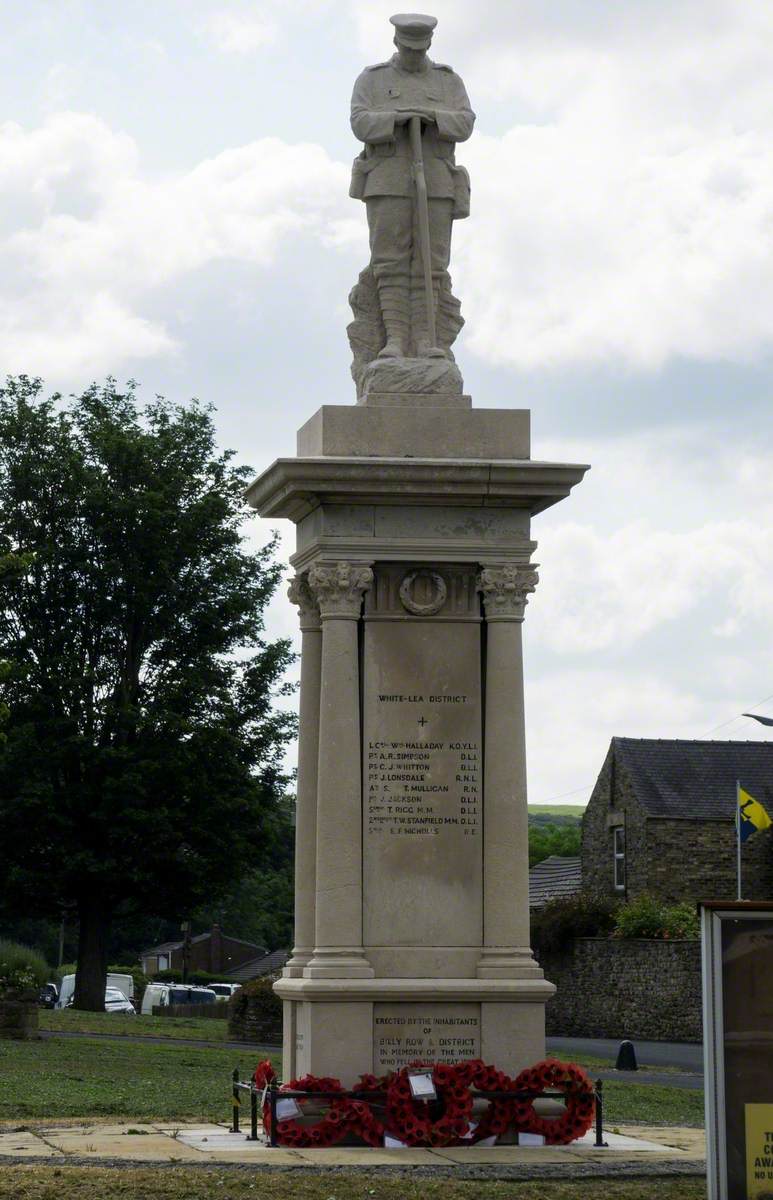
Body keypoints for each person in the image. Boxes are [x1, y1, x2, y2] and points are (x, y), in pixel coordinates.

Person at [350, 13, 475, 360]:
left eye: (420, 50)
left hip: (436, 179)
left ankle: (425, 341)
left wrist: (432, 117)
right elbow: (360, 122)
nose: (414, 55)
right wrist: (398, 117)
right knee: (389, 263)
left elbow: (465, 123)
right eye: (409, 49)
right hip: (387, 177)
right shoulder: (373, 79)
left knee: (431, 264)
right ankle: (393, 340)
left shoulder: (447, 81)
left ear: (429, 45)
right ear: (397, 43)